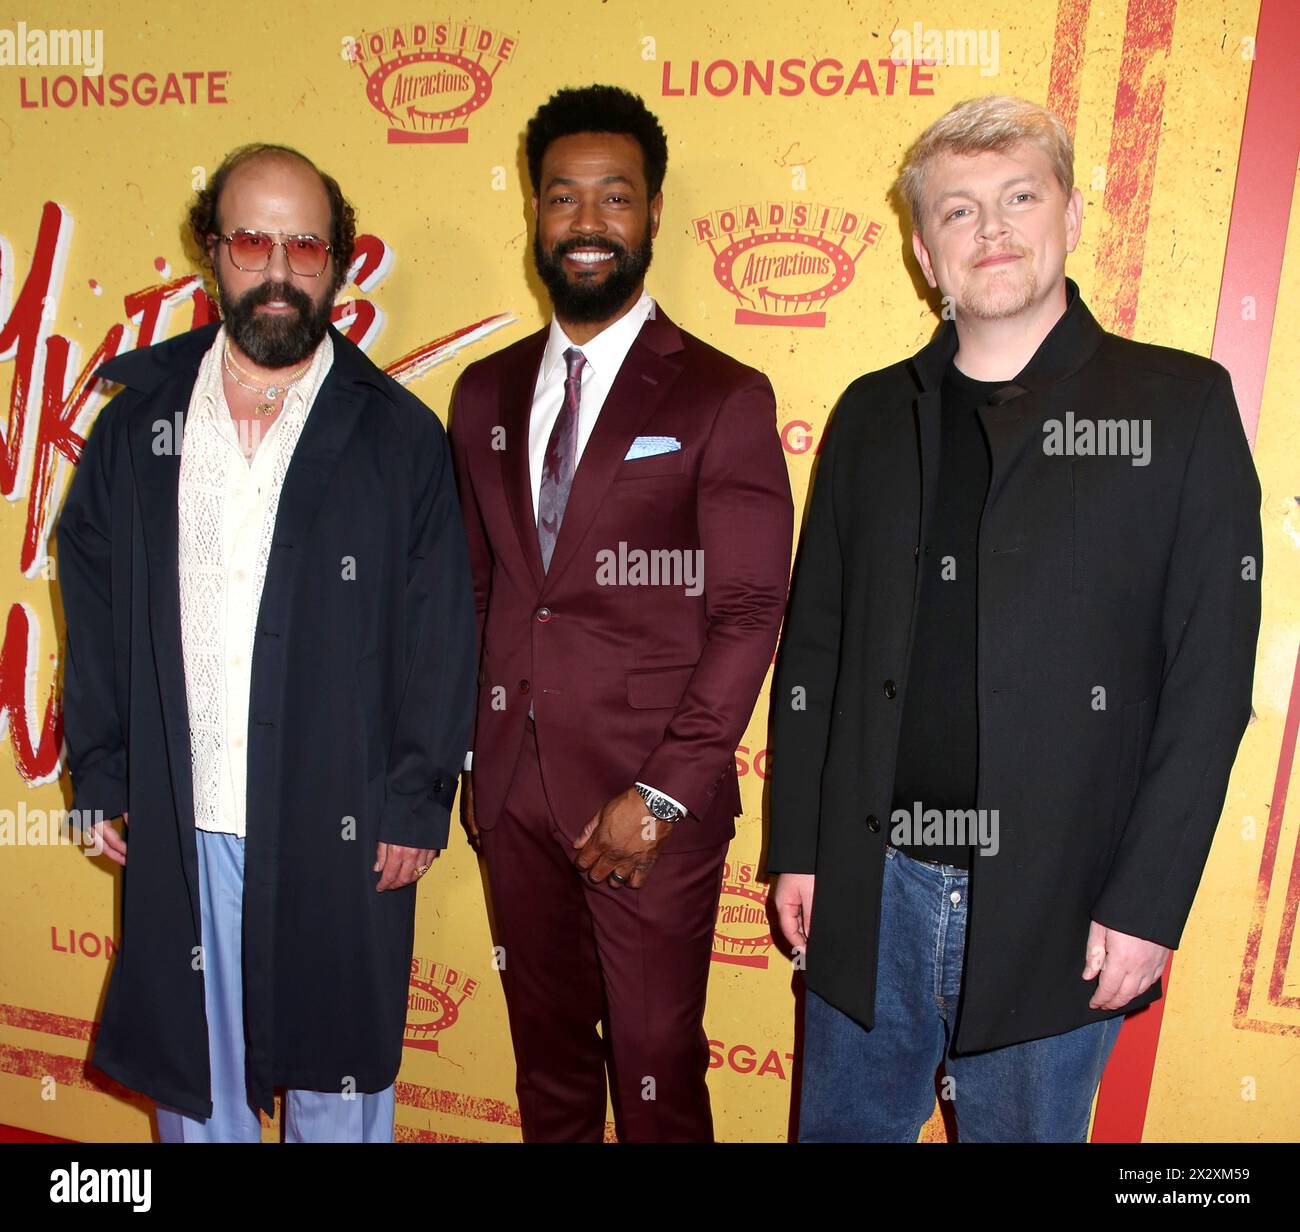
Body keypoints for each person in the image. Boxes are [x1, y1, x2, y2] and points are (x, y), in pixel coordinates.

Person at [767, 95, 1262, 1142]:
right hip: (871, 887)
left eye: (1018, 198)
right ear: (921, 248)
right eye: (957, 211)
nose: (989, 231)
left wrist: (1147, 901)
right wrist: (801, 849)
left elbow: (1209, 682)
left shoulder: (1177, 407)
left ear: (1073, 216)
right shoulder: (867, 414)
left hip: (1061, 908)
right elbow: (816, 643)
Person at [57, 142, 476, 1142]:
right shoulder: (138, 425)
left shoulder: (397, 436)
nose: (279, 269)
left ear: (336, 260)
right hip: (181, 820)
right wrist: (102, 770)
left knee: (336, 1080)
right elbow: (98, 607)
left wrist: (417, 796)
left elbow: (440, 627)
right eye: (252, 239)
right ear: (212, 250)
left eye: (306, 243)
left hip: (339, 824)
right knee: (200, 1093)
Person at [449, 85, 793, 1142]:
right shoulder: (483, 392)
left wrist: (666, 789)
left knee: (653, 1073)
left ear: (650, 215)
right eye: (562, 198)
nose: (586, 222)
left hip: (651, 800)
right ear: (533, 213)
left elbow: (746, 610)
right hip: (511, 795)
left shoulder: (719, 395)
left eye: (614, 197)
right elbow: (477, 592)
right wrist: (468, 762)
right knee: (547, 1068)